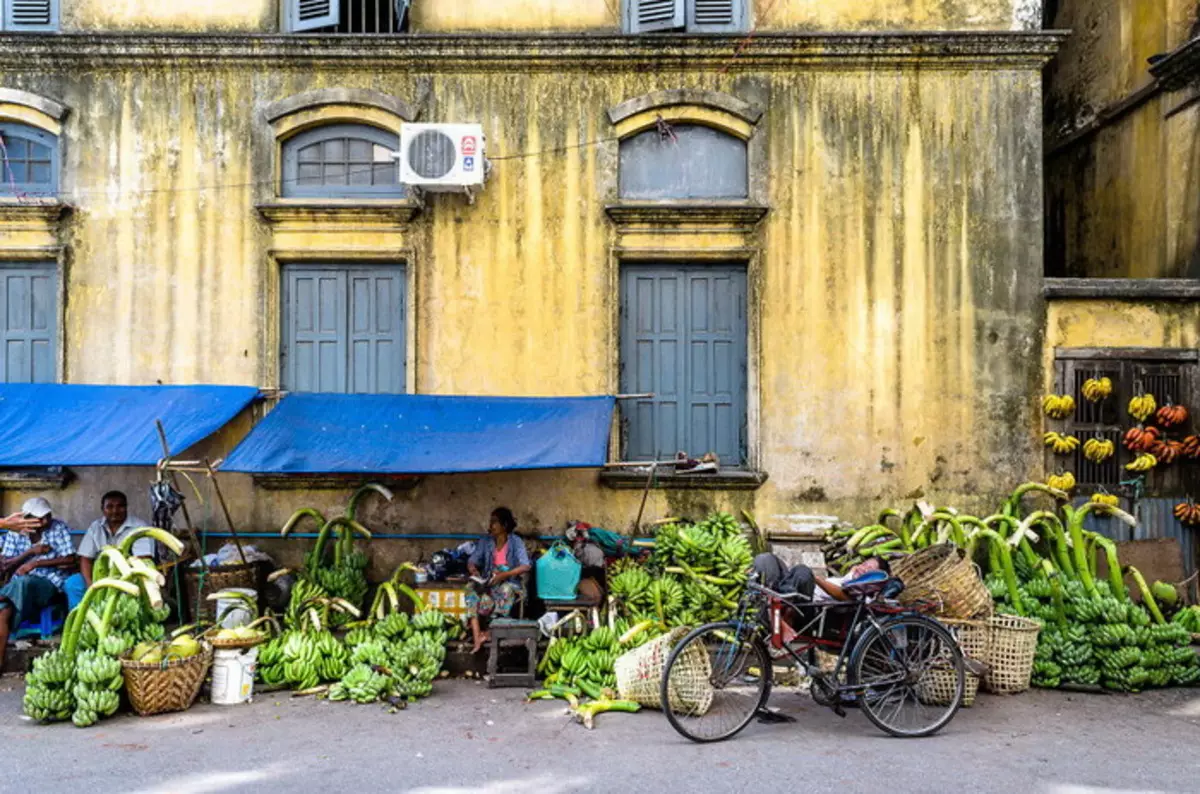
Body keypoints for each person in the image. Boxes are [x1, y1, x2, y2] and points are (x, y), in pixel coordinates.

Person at [0, 498, 77, 667]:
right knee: (6, 606)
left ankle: (4, 599)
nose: (46, 521)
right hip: (17, 584)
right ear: (27, 518)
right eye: (40, 518)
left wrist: (36, 563)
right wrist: (30, 552)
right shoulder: (15, 532)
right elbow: (5, 565)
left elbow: (71, 559)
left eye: (47, 516)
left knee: (24, 583)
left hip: (49, 583)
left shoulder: (58, 527)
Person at [465, 507, 531, 654]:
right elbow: (472, 560)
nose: (491, 525)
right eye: (491, 521)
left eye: (494, 522)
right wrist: (473, 569)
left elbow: (525, 565)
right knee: (470, 588)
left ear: (505, 525)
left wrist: (504, 575)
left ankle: (489, 633)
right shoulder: (485, 541)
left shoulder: (515, 542)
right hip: (489, 584)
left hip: (510, 584)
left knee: (505, 589)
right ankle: (477, 636)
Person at [75, 490, 154, 588]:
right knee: (73, 583)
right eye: (109, 507)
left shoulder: (139, 528)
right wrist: (90, 585)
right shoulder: (96, 527)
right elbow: (85, 558)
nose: (115, 511)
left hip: (129, 576)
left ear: (126, 508)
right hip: (100, 575)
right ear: (102, 509)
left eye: (120, 506)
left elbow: (143, 560)